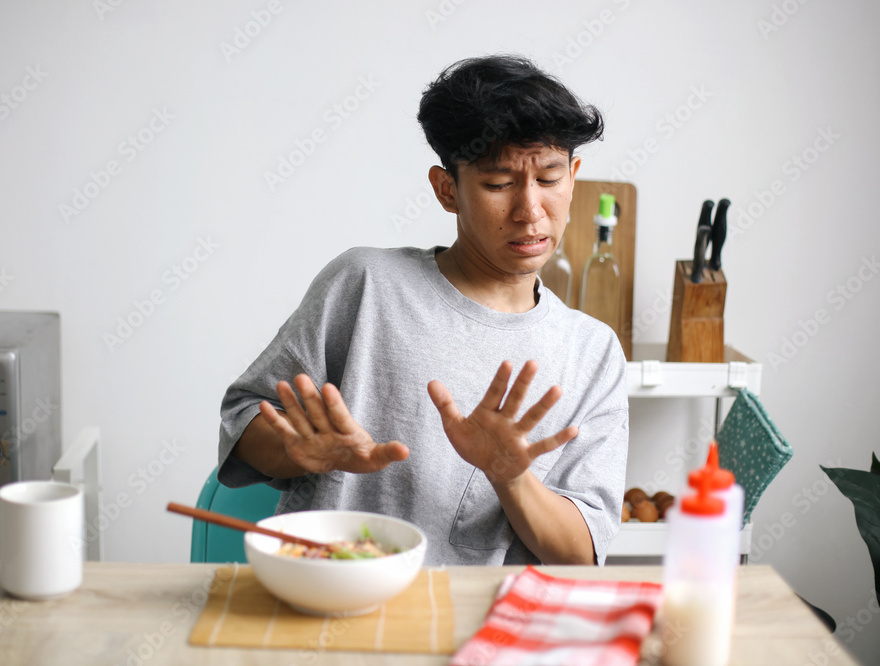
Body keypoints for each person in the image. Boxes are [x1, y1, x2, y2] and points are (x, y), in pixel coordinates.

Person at [218, 55, 627, 566]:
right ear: (446, 190)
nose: (530, 210)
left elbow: (581, 554)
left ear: (574, 177)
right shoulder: (365, 285)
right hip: (335, 602)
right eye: (498, 185)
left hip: (484, 631)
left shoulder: (592, 351)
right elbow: (243, 420)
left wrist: (511, 475)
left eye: (549, 179)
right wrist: (295, 451)